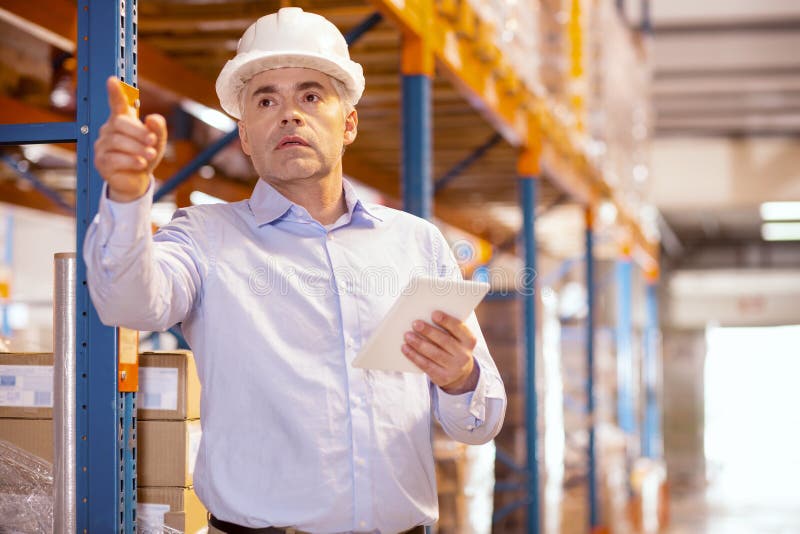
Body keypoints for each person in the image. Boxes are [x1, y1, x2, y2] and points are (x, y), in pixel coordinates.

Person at [84, 7, 506, 534]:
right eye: (266, 101)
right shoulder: (203, 237)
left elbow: (480, 423)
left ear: (348, 123)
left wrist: (460, 378)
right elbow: (126, 303)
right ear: (244, 135)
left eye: (310, 96)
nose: (289, 115)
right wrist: (127, 198)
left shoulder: (416, 244)